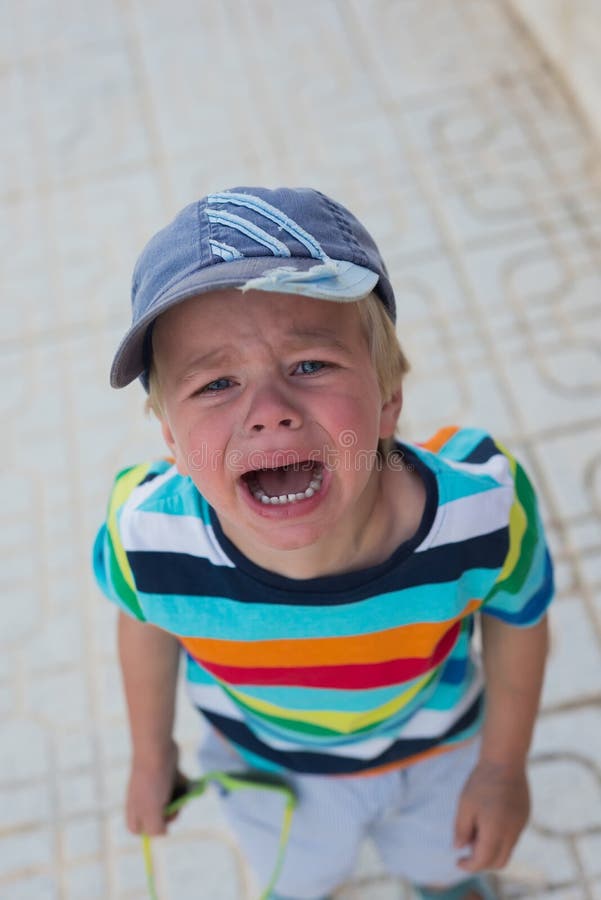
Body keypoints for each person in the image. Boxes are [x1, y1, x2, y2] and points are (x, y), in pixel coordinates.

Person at [93, 186, 553, 900]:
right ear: (172, 443)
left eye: (309, 365)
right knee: (299, 879)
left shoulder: (480, 511)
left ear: (388, 400)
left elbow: (519, 618)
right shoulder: (150, 538)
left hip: (438, 752)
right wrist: (151, 754)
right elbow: (145, 624)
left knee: (446, 863)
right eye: (216, 382)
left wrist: (501, 766)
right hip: (267, 768)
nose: (269, 413)